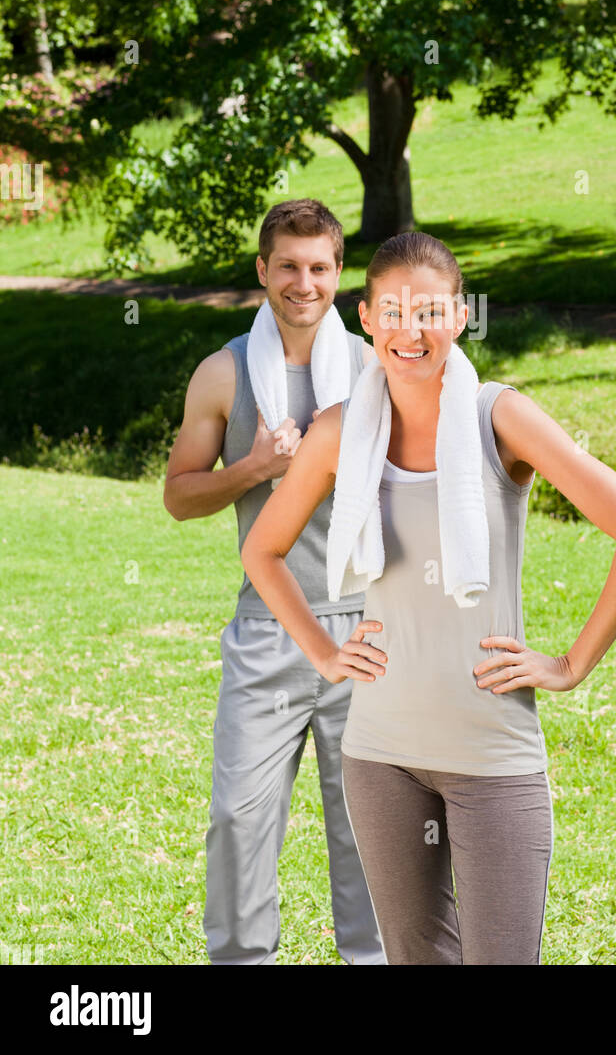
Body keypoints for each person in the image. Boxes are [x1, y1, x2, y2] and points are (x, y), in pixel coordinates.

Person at [241, 231, 616, 965]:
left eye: (432, 312)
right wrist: (322, 649)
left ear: (460, 316)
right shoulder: (341, 432)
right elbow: (263, 549)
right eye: (396, 312)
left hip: (492, 752)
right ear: (367, 317)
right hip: (381, 755)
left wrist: (569, 664)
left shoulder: (498, 417)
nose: (414, 331)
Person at [163, 198, 384, 966]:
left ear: (337, 273)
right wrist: (256, 467)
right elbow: (178, 495)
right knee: (237, 821)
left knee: (370, 829)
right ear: (263, 271)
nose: (303, 282)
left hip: (365, 628)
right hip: (268, 629)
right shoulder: (223, 373)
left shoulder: (371, 370)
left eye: (319, 266)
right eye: (287, 265)